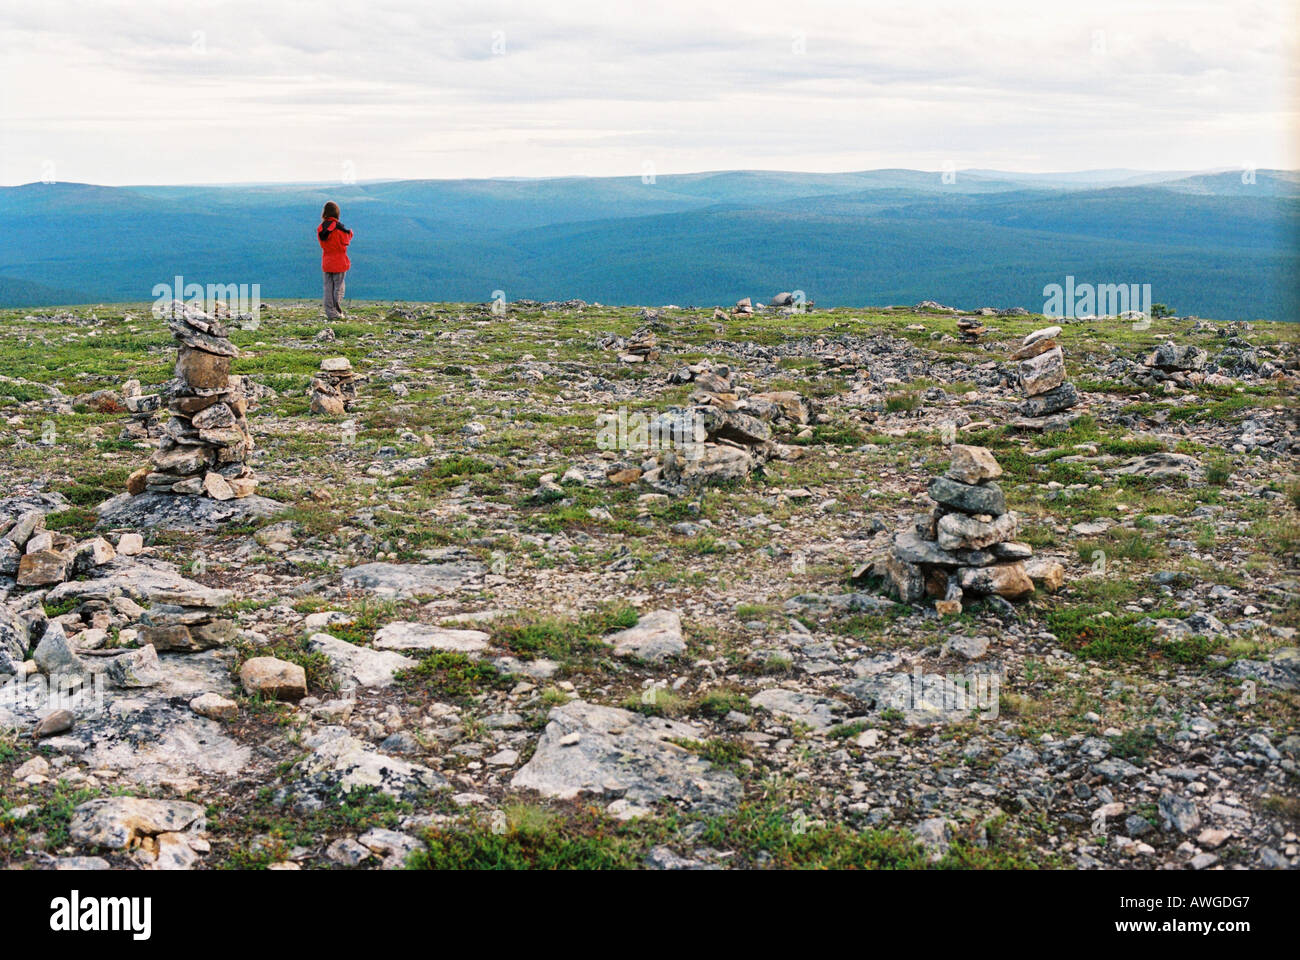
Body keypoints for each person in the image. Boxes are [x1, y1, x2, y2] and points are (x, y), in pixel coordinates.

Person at [318, 201, 353, 320]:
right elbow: (347, 240)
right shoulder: (339, 229)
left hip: (327, 261)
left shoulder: (321, 228)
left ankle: (330, 312)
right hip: (339, 261)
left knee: (328, 287)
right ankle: (336, 312)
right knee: (339, 287)